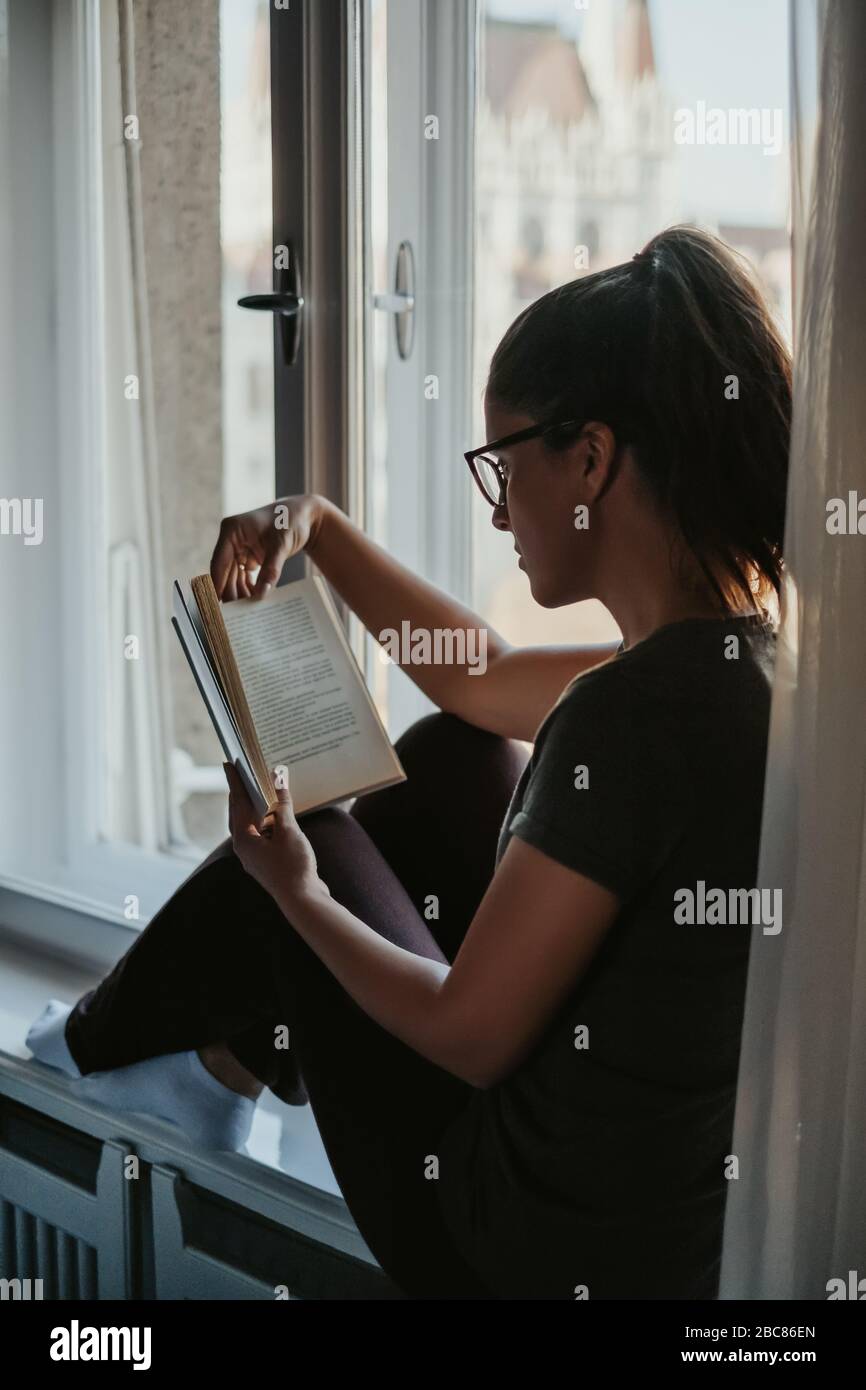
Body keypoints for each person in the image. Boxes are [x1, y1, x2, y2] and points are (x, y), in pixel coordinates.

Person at [26, 225, 790, 1300]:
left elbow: (469, 1037)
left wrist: (296, 893)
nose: (498, 509)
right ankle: (217, 1066)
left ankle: (90, 1051)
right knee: (452, 751)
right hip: (647, 1224)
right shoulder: (747, 665)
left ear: (589, 457)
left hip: (508, 1239)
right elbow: (477, 681)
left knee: (313, 838)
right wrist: (319, 528)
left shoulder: (629, 718)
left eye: (502, 464)